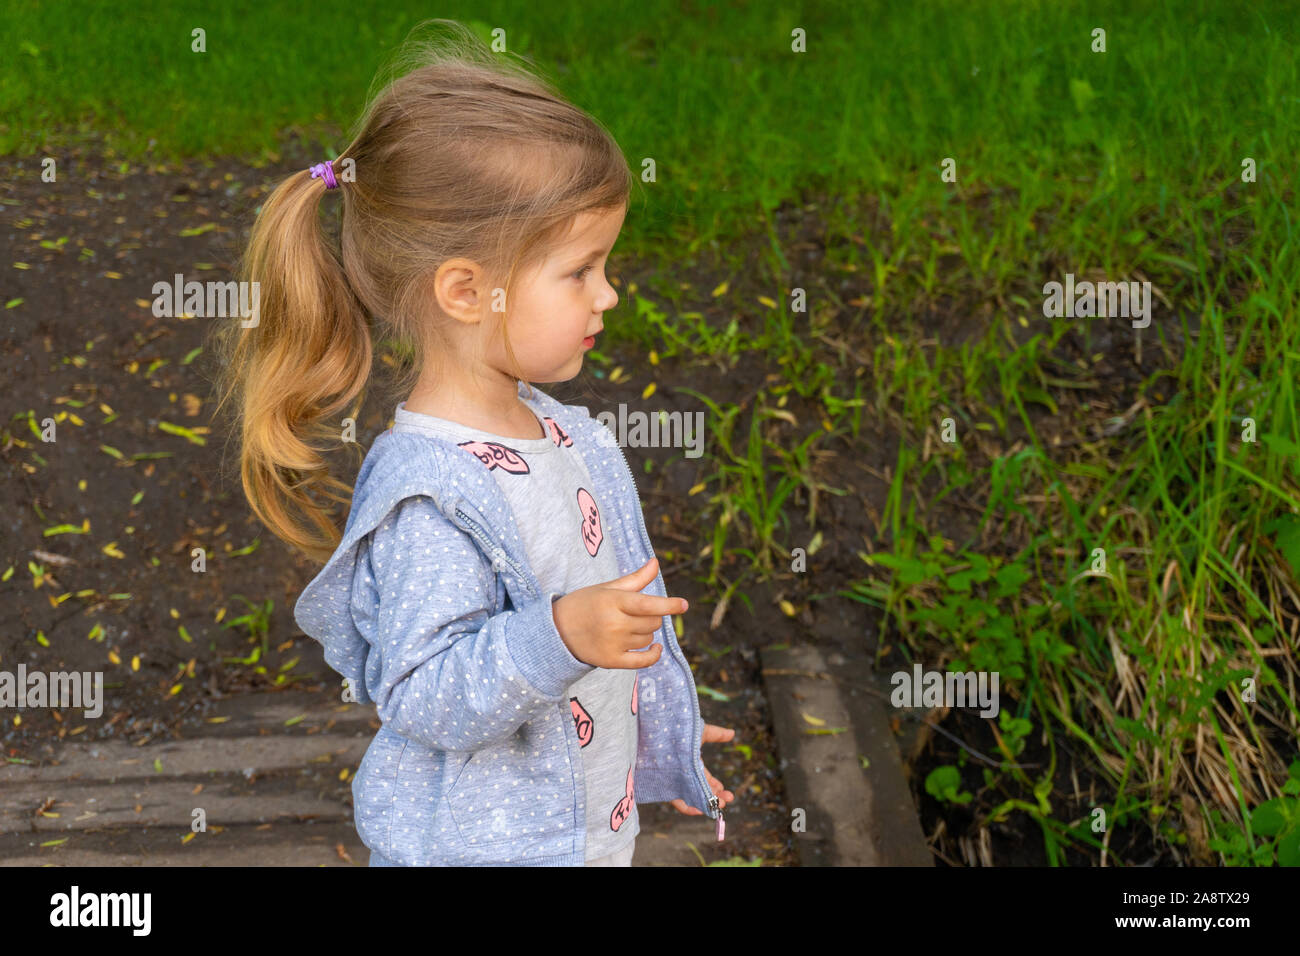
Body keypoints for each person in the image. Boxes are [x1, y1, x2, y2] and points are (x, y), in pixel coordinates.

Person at [209, 20, 735, 867]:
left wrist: (651, 714)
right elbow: (425, 693)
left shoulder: (565, 433)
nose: (610, 293)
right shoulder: (433, 494)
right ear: (466, 291)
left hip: (576, 834)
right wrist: (562, 636)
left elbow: (585, 621)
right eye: (580, 270)